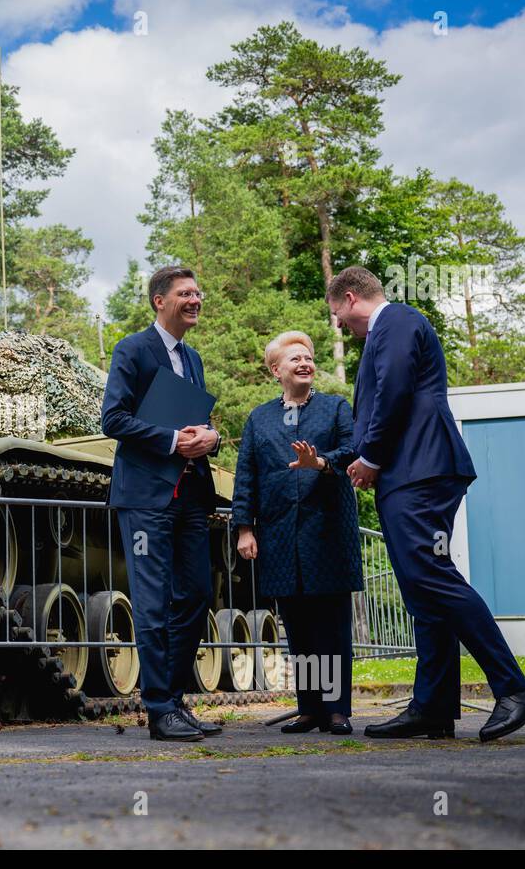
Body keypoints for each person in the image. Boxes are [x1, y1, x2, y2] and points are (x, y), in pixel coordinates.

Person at [329, 266, 525, 741]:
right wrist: (346, 460)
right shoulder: (383, 334)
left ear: (349, 298)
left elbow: (395, 393)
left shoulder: (397, 320)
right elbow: (377, 406)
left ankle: (514, 688)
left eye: (337, 316)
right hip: (408, 472)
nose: (339, 326)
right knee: (420, 590)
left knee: (430, 573)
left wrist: (371, 458)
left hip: (420, 469)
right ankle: (433, 705)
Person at [101, 265, 224, 742]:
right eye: (186, 293)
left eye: (199, 292)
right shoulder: (132, 349)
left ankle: (173, 700)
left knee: (194, 595)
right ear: (159, 300)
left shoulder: (192, 359)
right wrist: (174, 440)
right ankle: (158, 710)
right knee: (151, 603)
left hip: (191, 495)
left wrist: (210, 437)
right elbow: (114, 418)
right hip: (147, 497)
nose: (196, 300)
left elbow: (200, 423)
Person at [232, 331, 361, 734]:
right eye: (295, 359)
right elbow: (246, 477)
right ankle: (309, 708)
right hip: (280, 535)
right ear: (276, 370)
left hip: (328, 531)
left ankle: (337, 710)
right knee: (299, 627)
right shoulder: (259, 418)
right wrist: (244, 528)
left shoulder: (335, 407)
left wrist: (321, 463)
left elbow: (353, 447)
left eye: (308, 357)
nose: (305, 363)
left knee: (332, 626)